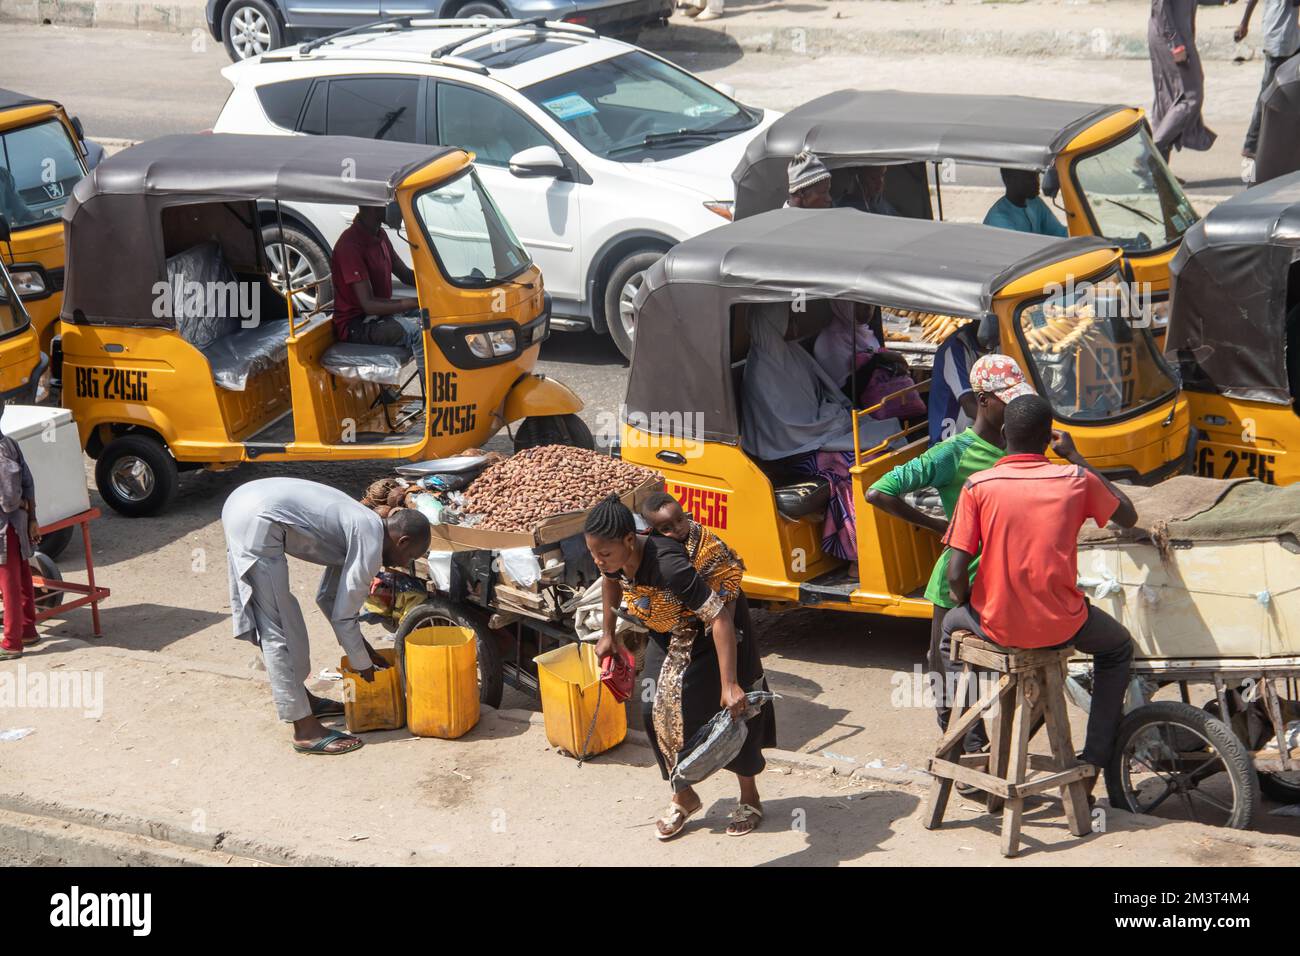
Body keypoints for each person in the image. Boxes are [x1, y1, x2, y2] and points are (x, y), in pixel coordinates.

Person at [941, 395, 1137, 779]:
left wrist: (969, 604)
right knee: (1118, 648)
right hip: (1062, 625)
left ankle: (973, 746)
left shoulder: (979, 486)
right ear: (1049, 438)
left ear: (1002, 435)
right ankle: (1094, 759)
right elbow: (1127, 514)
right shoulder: (1075, 481)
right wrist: (1076, 457)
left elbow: (954, 573)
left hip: (996, 624)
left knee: (949, 630)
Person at [866, 355, 1034, 754]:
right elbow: (879, 491)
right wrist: (941, 526)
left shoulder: (1022, 443)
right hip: (958, 583)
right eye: (1007, 400)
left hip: (1007, 583)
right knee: (951, 676)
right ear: (983, 401)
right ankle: (966, 756)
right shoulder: (954, 452)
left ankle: (994, 753)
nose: (1016, 408)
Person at [585, 495, 775, 840]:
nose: (599, 561)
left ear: (630, 540)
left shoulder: (669, 565)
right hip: (669, 630)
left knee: (736, 710)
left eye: (605, 554)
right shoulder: (613, 559)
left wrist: (729, 683)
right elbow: (610, 579)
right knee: (651, 710)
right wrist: (608, 635)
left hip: (717, 630)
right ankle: (684, 796)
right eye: (593, 553)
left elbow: (718, 616)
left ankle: (750, 798)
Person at [223, 477, 432, 755]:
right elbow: (345, 616)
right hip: (256, 518)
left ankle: (303, 702)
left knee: (287, 623)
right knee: (279, 630)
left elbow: (329, 598)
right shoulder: (369, 541)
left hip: (248, 501)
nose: (404, 564)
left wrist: (364, 650)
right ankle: (305, 731)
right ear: (402, 540)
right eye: (410, 556)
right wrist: (363, 666)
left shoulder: (364, 525)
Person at [741, 302, 900, 562]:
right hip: (787, 451)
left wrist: (833, 417)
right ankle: (857, 556)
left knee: (882, 447)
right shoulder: (761, 370)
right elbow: (786, 425)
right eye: (786, 320)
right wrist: (830, 422)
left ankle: (887, 541)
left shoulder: (790, 353)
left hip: (813, 436)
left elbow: (821, 397)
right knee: (852, 464)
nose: (793, 325)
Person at [329, 205, 423, 368]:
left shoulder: (380, 235)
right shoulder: (350, 246)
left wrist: (437, 283)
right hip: (357, 325)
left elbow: (405, 274)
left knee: (434, 316)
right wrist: (417, 302)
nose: (397, 208)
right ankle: (431, 392)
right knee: (418, 333)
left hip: (379, 314)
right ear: (373, 207)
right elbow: (369, 305)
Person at [1149, 0, 1217, 161]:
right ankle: (1149, 156)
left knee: (1167, 101)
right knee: (1190, 97)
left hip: (1175, 35)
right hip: (1171, 38)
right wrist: (1175, 44)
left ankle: (1158, 172)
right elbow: (1160, 5)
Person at [1236, 0, 1300, 160]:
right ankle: (1252, 143)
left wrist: (1244, 23)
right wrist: (1244, 23)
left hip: (1283, 35)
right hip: (1281, 38)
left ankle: (1272, 143)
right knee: (1269, 95)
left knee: (1284, 92)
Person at [0, 418, 40, 661]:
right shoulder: (11, 444)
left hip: (6, 527)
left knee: (9, 583)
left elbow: (7, 499)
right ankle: (27, 630)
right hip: (19, 524)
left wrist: (22, 506)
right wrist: (32, 516)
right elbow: (29, 483)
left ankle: (11, 642)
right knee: (22, 575)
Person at [927, 317, 998, 446]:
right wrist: (1004, 428)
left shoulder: (995, 344)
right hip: (950, 441)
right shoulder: (955, 349)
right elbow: (969, 405)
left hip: (977, 436)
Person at [983, 169, 1068, 237]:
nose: (1037, 182)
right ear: (1008, 180)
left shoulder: (1035, 203)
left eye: (1037, 175)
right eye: (1029, 177)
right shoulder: (999, 221)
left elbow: (1059, 232)